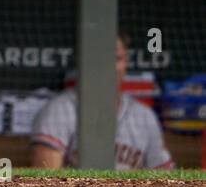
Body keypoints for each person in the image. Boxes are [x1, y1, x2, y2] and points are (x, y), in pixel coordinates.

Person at [31, 33, 173, 170]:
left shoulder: (144, 117)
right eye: (102, 59)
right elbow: (47, 182)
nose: (109, 66)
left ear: (125, 63)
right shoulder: (59, 111)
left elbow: (166, 180)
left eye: (117, 58)